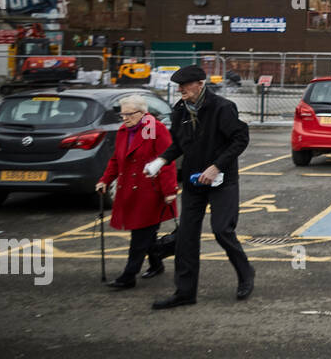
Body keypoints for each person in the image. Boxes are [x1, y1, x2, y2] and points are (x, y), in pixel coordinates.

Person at [144, 65, 253, 308]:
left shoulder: (221, 108)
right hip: (195, 182)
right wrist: (160, 161)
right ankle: (185, 293)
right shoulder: (180, 111)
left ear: (199, 84)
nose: (180, 89)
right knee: (186, 237)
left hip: (222, 180)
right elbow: (177, 144)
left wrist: (216, 166)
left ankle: (246, 273)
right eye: (178, 86)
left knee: (222, 230)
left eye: (185, 85)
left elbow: (240, 139)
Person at [95, 95, 177, 288]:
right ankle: (156, 264)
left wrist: (169, 191)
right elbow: (116, 159)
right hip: (130, 191)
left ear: (143, 113)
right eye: (122, 114)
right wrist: (104, 180)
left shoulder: (155, 129)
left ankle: (128, 276)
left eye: (129, 114)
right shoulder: (125, 130)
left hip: (151, 192)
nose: (124, 118)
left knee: (140, 235)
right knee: (145, 233)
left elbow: (166, 162)